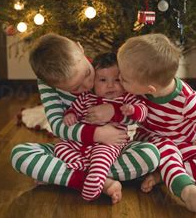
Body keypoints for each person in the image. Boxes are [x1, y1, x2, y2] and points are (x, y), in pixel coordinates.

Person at [10, 34, 160, 200]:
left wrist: (113, 111)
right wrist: (97, 134)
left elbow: (137, 113)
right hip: (74, 147)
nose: (88, 85)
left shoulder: (106, 69)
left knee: (150, 154)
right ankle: (97, 181)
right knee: (20, 155)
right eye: (76, 88)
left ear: (80, 48)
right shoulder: (47, 84)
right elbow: (58, 126)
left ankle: (66, 175)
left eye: (88, 74)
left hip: (112, 148)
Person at [117, 34, 196, 214]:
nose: (120, 80)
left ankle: (163, 174)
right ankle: (186, 191)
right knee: (166, 146)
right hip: (149, 145)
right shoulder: (136, 93)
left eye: (124, 79)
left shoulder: (189, 101)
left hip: (182, 148)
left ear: (150, 90)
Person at [55, 52, 148, 204]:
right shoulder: (86, 98)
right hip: (81, 143)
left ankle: (93, 181)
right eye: (103, 80)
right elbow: (74, 110)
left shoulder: (125, 98)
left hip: (109, 144)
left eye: (117, 80)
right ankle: (98, 176)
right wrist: (70, 115)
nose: (110, 85)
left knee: (101, 158)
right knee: (60, 147)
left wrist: (133, 110)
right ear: (93, 82)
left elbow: (143, 112)